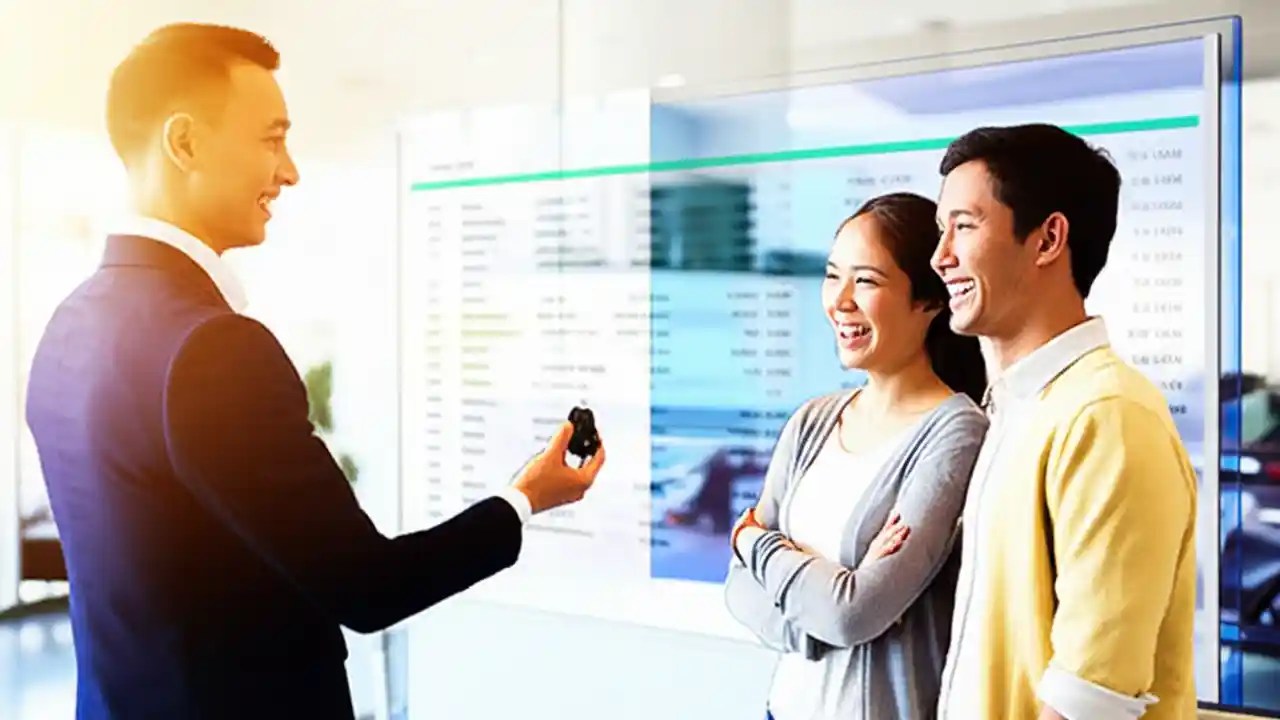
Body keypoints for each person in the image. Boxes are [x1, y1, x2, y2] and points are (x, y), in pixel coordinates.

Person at [23, 23, 605, 719]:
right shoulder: (214, 349)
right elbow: (369, 586)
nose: (290, 171)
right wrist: (524, 499)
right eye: (272, 139)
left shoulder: (66, 326)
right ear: (183, 143)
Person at [926, 124, 1197, 719]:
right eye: (941, 230)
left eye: (964, 227)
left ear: (1048, 238)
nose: (939, 256)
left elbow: (1090, 699)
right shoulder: (1023, 409)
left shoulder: (1108, 415)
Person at [724, 192, 990, 719]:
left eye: (866, 281)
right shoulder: (812, 422)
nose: (839, 301)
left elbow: (852, 613)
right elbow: (737, 590)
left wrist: (754, 539)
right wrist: (819, 618)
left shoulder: (956, 433)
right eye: (831, 275)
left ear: (929, 301)